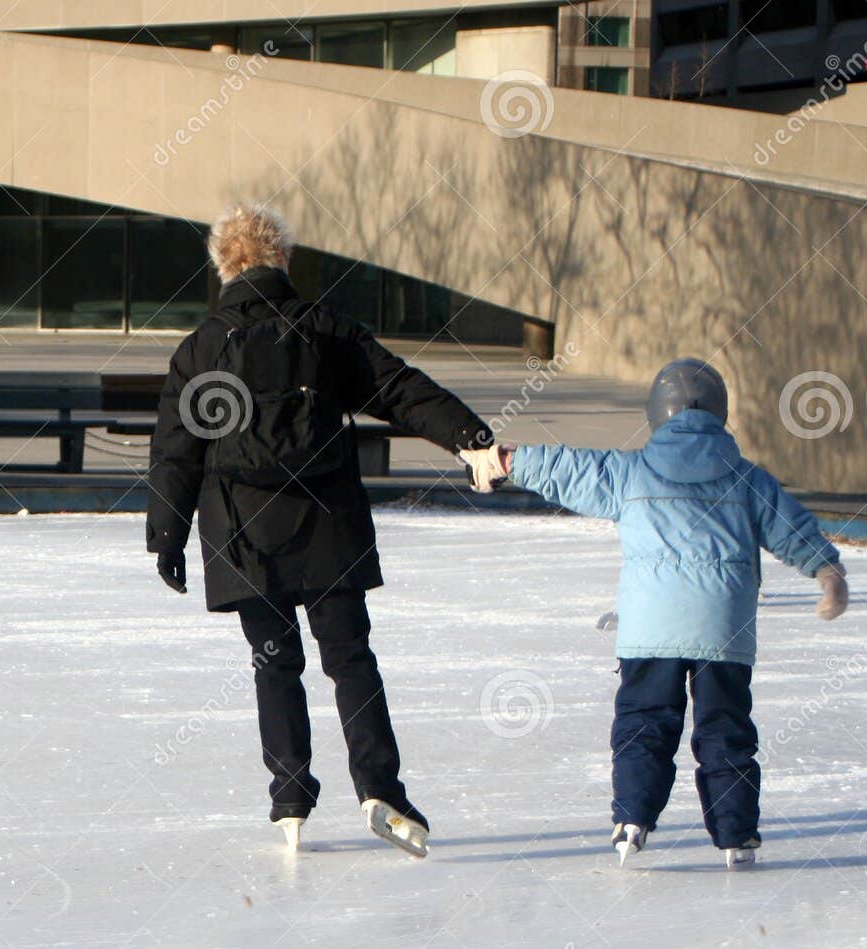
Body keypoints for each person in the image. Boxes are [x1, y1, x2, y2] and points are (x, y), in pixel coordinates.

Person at [146, 203, 507, 856]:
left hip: (241, 529)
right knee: (349, 657)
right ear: (283, 258)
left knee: (274, 662)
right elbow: (400, 389)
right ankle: (381, 789)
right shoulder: (326, 330)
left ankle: (289, 798)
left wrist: (166, 537)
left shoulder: (200, 348)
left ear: (223, 266)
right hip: (327, 520)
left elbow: (177, 449)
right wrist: (471, 439)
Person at [504, 358, 849, 870]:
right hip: (722, 631)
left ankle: (633, 820)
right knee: (725, 729)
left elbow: (572, 469)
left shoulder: (633, 471)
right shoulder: (746, 477)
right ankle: (736, 836)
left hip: (650, 631)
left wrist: (512, 460)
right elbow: (788, 525)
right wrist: (827, 570)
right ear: (721, 413)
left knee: (645, 724)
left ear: (656, 412)